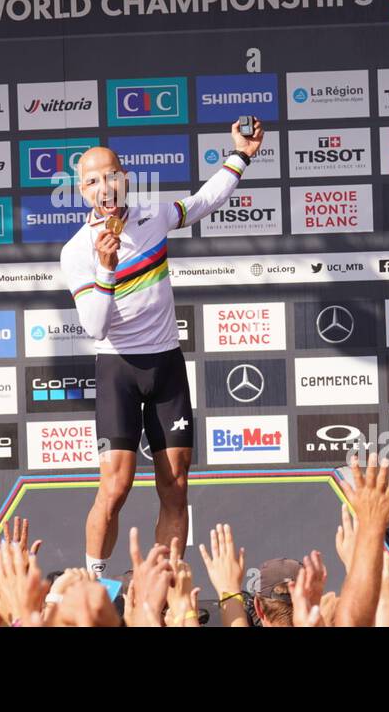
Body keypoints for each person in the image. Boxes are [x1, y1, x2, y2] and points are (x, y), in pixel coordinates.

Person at [59, 119, 264, 578]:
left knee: (176, 486)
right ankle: (93, 584)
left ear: (125, 178)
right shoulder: (77, 251)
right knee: (115, 487)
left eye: (111, 175)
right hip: (119, 369)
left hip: (166, 364)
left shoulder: (153, 214)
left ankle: (164, 585)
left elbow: (202, 202)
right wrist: (107, 269)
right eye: (92, 181)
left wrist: (241, 154)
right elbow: (94, 327)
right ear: (82, 191)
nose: (104, 186)